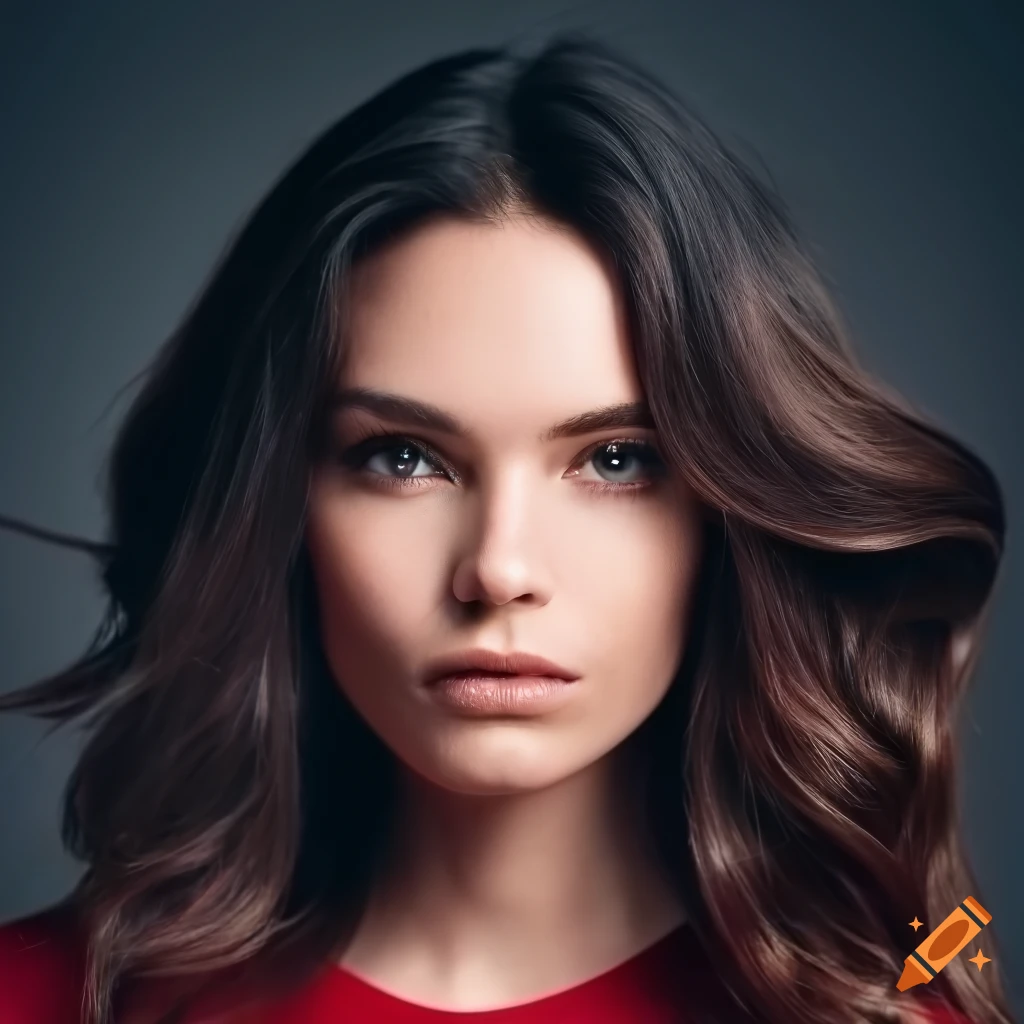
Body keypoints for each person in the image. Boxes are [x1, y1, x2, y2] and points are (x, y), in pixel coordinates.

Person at [0, 31, 1011, 1024]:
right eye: (402, 457)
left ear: (727, 508)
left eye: (615, 459)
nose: (499, 568)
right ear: (277, 507)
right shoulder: (41, 998)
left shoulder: (888, 1008)